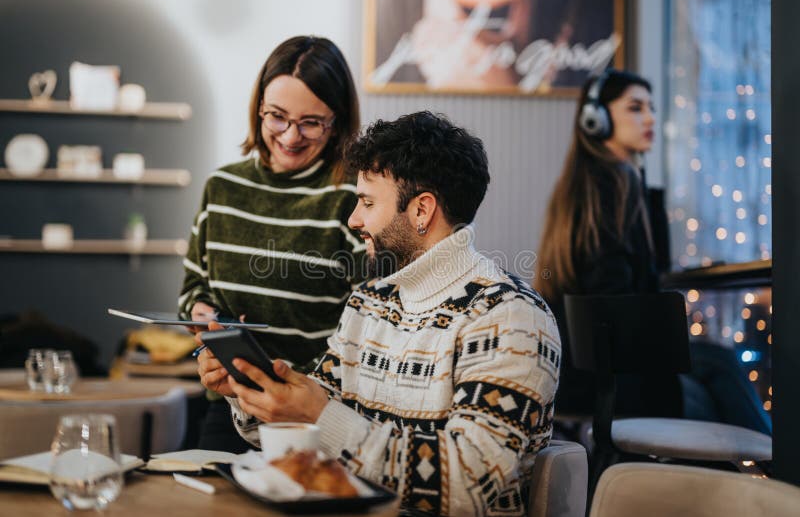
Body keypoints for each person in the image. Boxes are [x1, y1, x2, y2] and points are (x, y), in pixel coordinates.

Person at [197, 111, 560, 516]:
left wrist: (319, 415)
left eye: (367, 202)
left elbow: (468, 485)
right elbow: (314, 435)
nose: (354, 219)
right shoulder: (370, 302)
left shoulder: (512, 318)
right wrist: (250, 393)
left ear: (422, 210)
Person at [534, 69, 771, 434]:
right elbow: (618, 300)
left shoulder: (577, 189)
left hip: (574, 373)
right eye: (635, 108)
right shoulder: (616, 184)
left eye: (652, 108)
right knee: (719, 367)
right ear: (595, 119)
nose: (650, 118)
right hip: (609, 376)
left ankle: (761, 467)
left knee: (713, 369)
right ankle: (775, 467)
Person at [179, 35, 365, 452]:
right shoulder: (223, 187)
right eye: (277, 117)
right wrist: (202, 314)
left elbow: (371, 321)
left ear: (337, 122)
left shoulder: (352, 197)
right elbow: (194, 288)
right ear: (258, 109)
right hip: (229, 409)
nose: (290, 136)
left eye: (311, 123)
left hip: (314, 419)